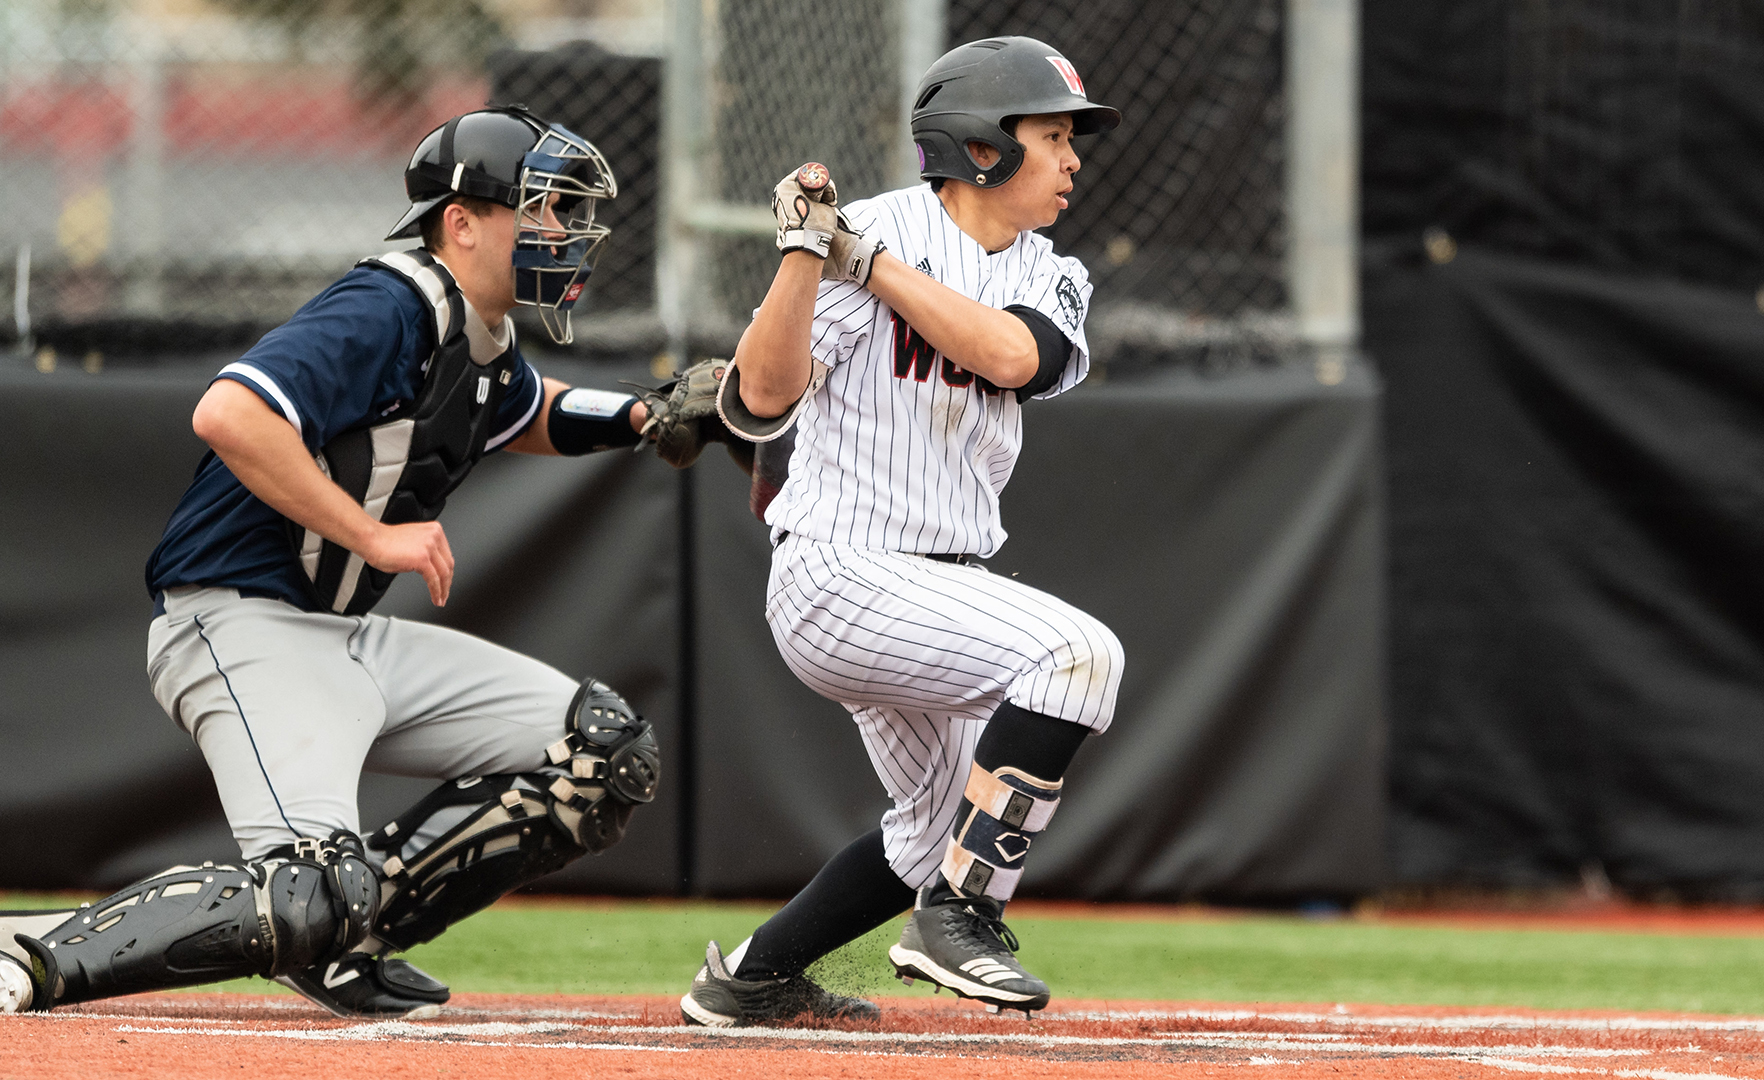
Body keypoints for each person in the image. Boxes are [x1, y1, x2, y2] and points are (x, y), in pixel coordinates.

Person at [0, 106, 682, 1019]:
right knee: (304, 889)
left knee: (605, 749)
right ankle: (34, 950)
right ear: (463, 220)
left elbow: (534, 413)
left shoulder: (478, 334)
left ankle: (344, 936)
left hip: (343, 636)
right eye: (545, 210)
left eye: (565, 211)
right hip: (238, 623)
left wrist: (649, 414)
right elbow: (231, 415)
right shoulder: (391, 302)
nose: (564, 232)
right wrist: (371, 536)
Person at [678, 36, 1125, 1027]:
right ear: (981, 145)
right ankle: (957, 916)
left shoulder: (1051, 273)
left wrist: (867, 264)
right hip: (840, 571)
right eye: (1051, 137)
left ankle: (747, 978)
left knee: (931, 832)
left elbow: (1012, 356)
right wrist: (806, 254)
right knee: (1079, 656)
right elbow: (759, 395)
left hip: (938, 585)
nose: (1072, 160)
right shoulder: (866, 228)